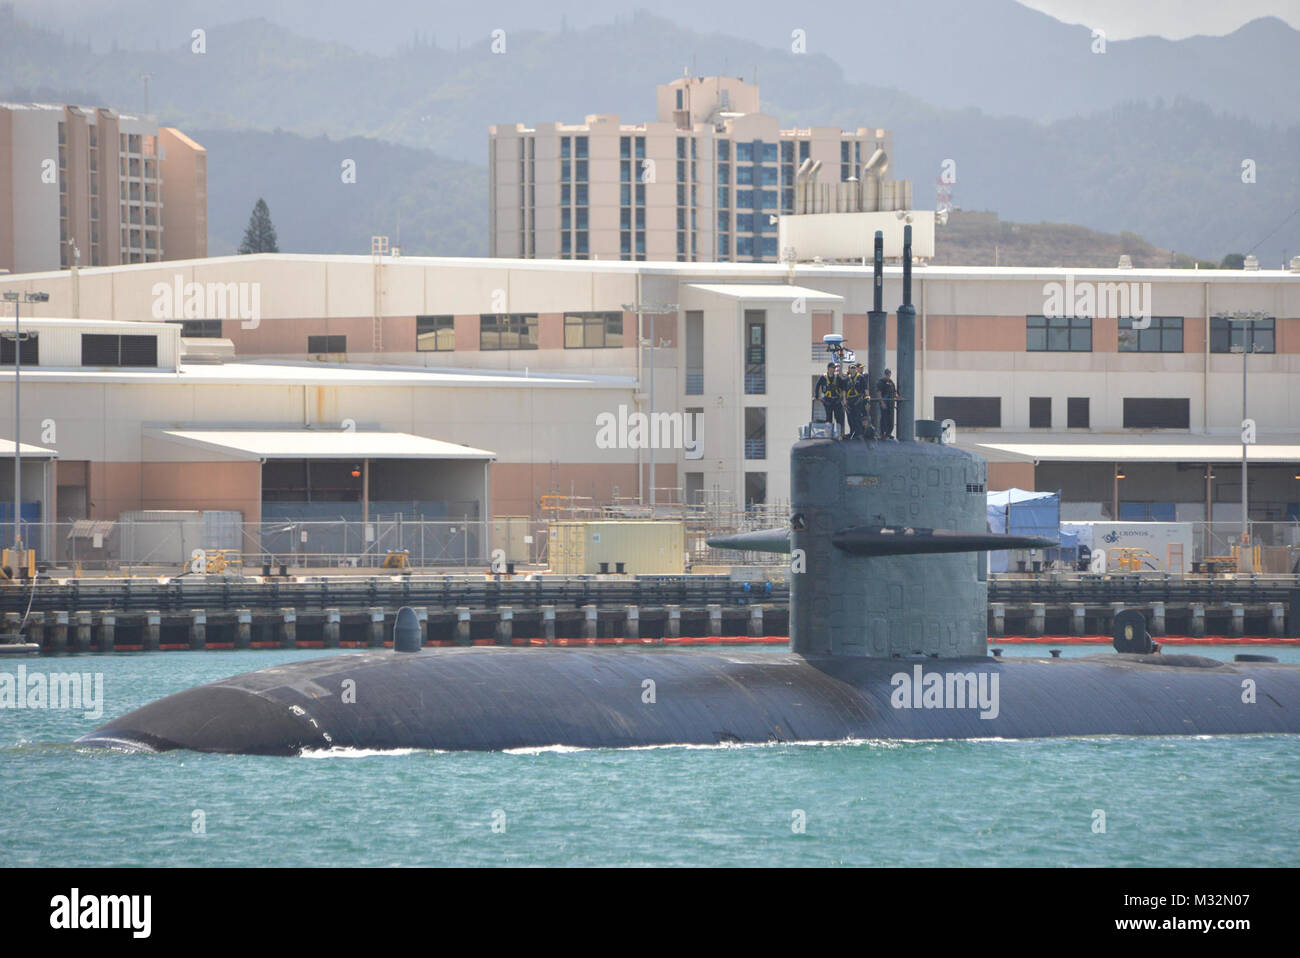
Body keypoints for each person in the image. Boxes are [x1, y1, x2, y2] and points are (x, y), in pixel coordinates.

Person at [815, 362, 844, 436]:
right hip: (827, 400)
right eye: (832, 368)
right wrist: (817, 396)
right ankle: (828, 433)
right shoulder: (823, 377)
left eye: (834, 368)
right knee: (828, 418)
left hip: (836, 400)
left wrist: (842, 398)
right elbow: (817, 386)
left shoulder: (837, 378)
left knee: (838, 418)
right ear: (828, 368)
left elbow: (844, 387)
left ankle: (840, 434)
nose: (833, 369)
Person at [843, 363, 863, 439]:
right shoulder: (847, 379)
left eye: (854, 368)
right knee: (850, 418)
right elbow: (844, 390)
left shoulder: (860, 378)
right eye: (851, 368)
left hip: (857, 400)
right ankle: (852, 432)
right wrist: (844, 400)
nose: (853, 369)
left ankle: (858, 433)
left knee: (857, 417)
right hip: (849, 400)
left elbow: (864, 389)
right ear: (849, 370)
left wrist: (867, 397)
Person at [877, 368, 898, 439]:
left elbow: (894, 392)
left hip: (891, 404)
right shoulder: (881, 382)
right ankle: (882, 433)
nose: (888, 376)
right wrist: (882, 403)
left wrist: (898, 397)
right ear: (884, 374)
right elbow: (879, 394)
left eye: (889, 374)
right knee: (884, 419)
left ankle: (888, 433)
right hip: (885, 403)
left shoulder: (891, 382)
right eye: (887, 375)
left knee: (890, 420)